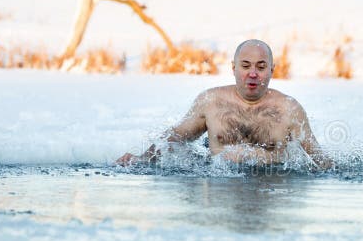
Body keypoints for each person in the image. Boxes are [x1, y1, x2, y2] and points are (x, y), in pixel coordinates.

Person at [116, 39, 332, 169]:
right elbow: (175, 137)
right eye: (246, 65)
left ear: (272, 70)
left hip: (271, 188)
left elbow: (319, 160)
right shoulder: (211, 102)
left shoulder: (288, 109)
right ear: (234, 68)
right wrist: (142, 158)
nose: (253, 74)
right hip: (221, 190)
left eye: (261, 66)